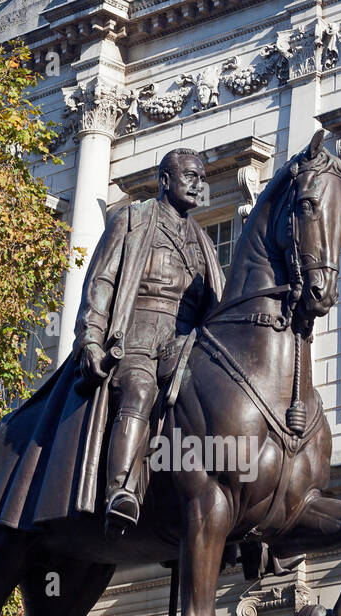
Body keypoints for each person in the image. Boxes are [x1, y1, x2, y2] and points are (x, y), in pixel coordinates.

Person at [73, 148, 226, 531]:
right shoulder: (133, 219)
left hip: (185, 347)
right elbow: (102, 281)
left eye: (202, 178)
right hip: (137, 338)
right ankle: (120, 490)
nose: (198, 184)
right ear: (165, 181)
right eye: (190, 176)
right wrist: (91, 337)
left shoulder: (204, 243)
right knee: (140, 389)